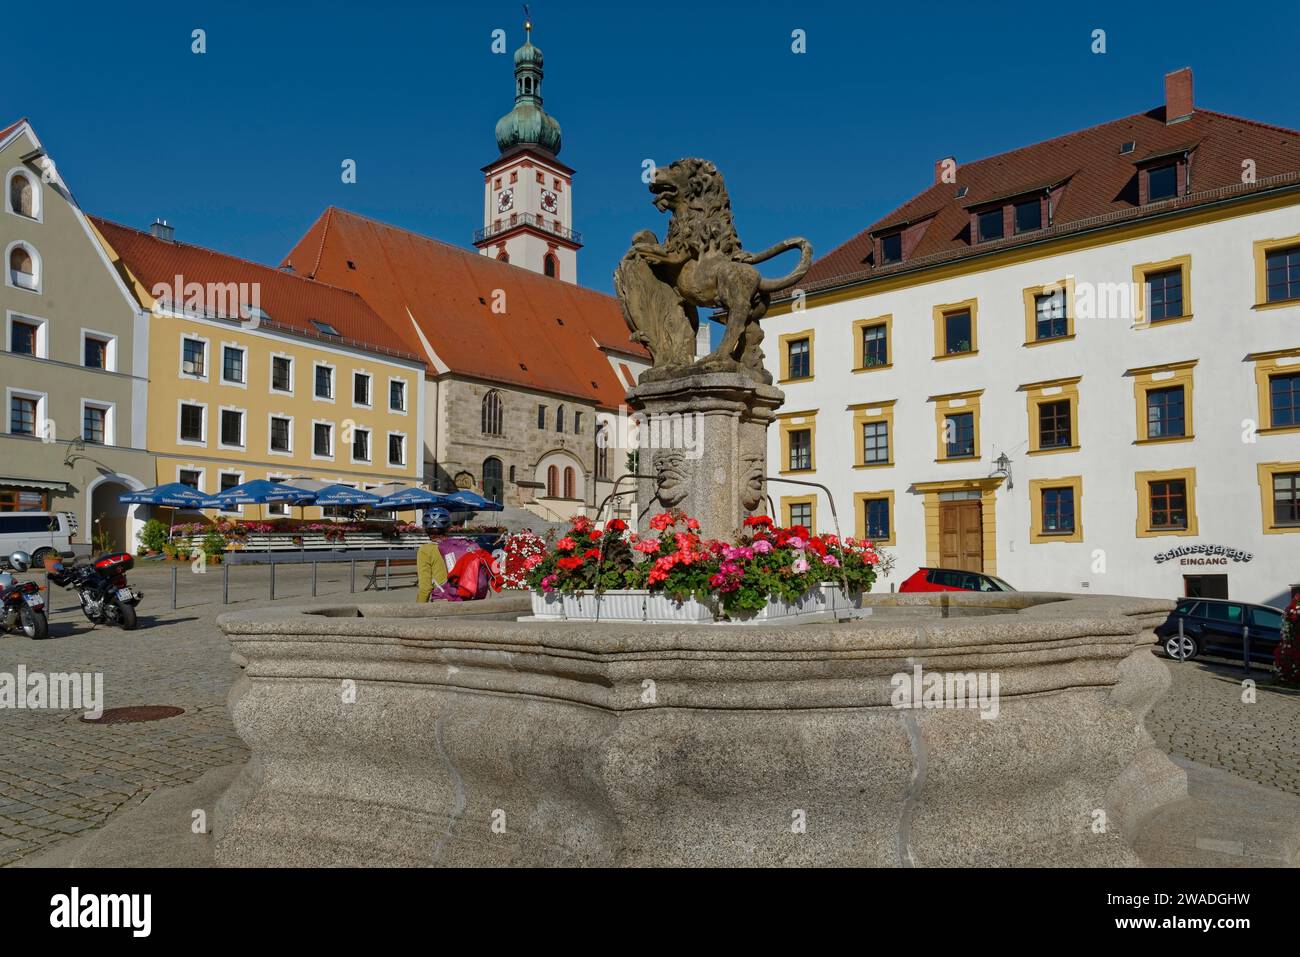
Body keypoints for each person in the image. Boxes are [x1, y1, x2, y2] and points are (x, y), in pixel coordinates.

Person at [416, 509, 452, 602]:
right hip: (465, 598)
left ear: (426, 529)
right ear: (449, 528)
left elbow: (425, 587)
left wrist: (417, 609)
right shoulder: (459, 545)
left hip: (443, 600)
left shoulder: (425, 550)